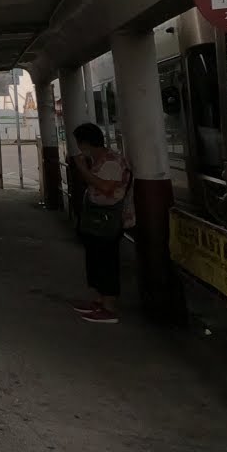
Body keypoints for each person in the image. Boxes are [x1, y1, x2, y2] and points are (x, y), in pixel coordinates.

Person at [70, 122, 133, 323]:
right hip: (97, 219)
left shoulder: (111, 162)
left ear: (86, 144)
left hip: (108, 220)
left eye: (80, 143)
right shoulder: (98, 160)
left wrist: (82, 168)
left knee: (106, 262)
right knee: (96, 260)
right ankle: (99, 301)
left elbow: (106, 187)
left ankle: (109, 307)